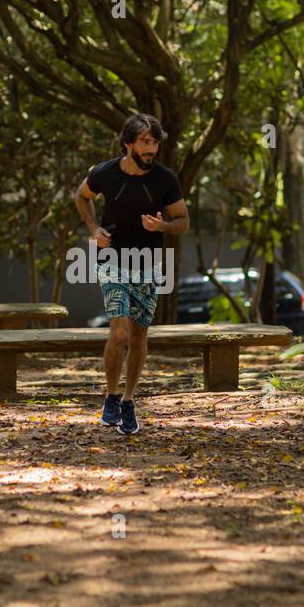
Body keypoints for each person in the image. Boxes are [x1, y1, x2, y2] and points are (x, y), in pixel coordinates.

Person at [73, 114, 189, 434]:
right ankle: (110, 396)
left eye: (155, 143)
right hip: (111, 259)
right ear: (128, 144)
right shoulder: (105, 172)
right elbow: (82, 197)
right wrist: (93, 227)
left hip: (148, 264)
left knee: (138, 338)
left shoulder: (166, 179)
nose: (152, 149)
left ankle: (127, 400)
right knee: (119, 333)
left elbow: (182, 221)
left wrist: (163, 225)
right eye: (145, 142)